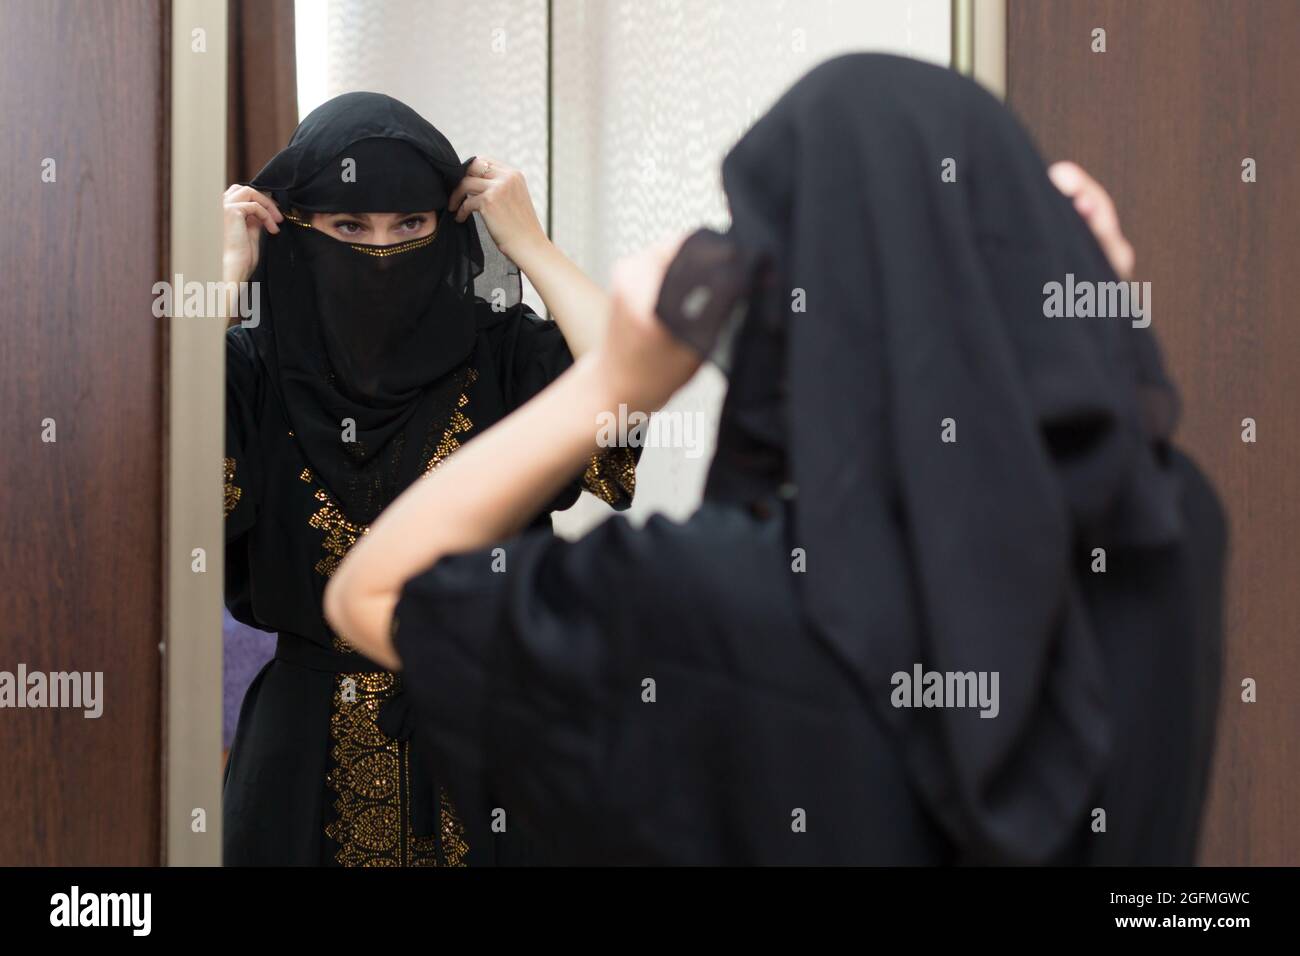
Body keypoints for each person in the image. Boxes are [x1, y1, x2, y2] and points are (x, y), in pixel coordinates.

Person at [324, 55, 1226, 865]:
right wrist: (1073, 313)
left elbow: (373, 593)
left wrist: (615, 383)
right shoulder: (1172, 526)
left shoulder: (718, 596)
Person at [221, 91, 637, 866]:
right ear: (296, 228)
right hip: (301, 754)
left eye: (410, 225)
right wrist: (216, 278)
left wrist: (535, 249)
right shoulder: (250, 370)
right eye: (348, 227)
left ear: (448, 229)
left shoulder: (504, 355)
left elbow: (624, 404)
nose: (381, 251)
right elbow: (149, 472)